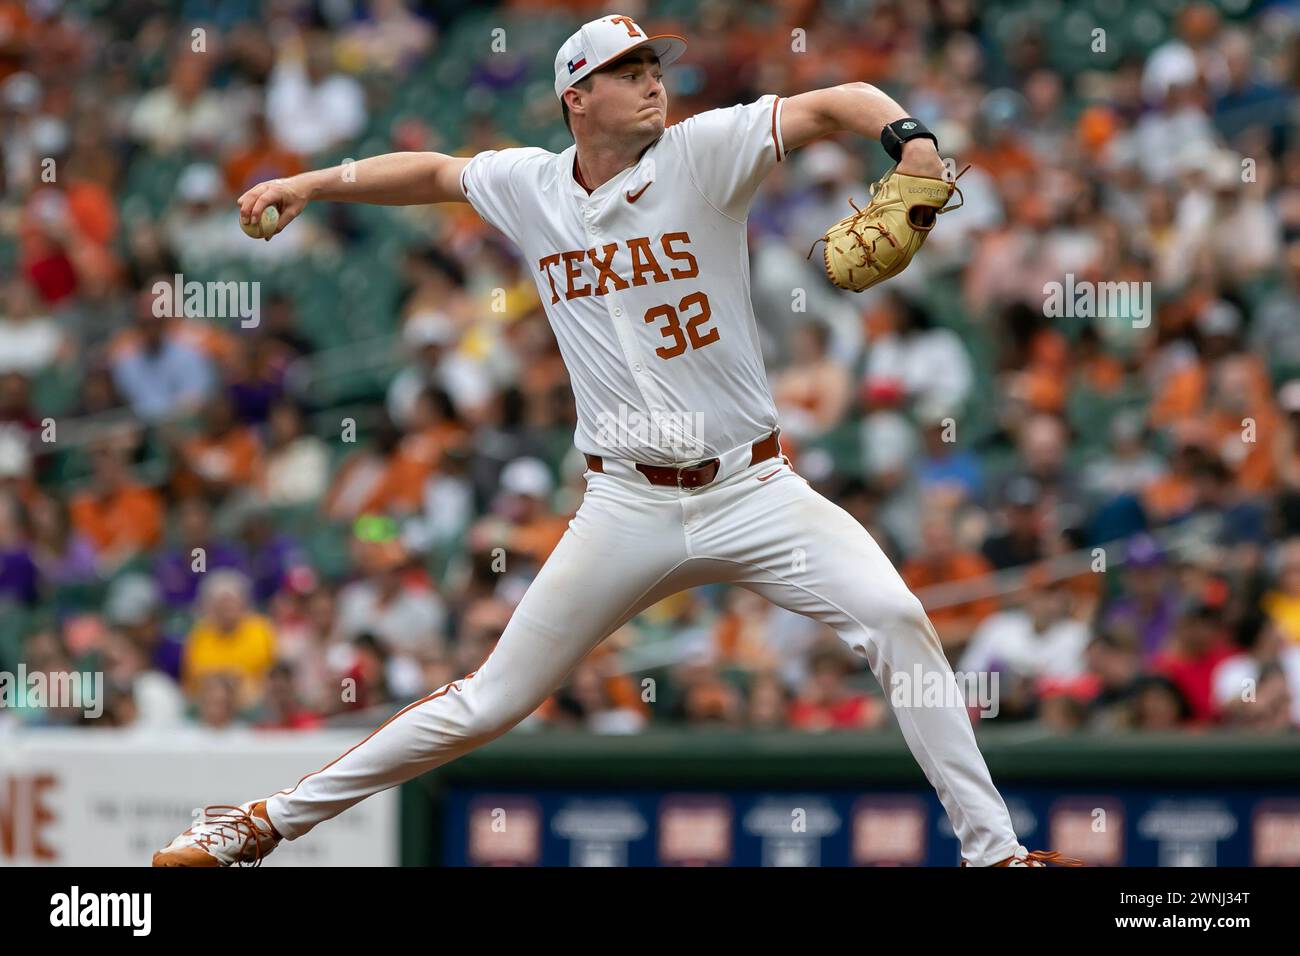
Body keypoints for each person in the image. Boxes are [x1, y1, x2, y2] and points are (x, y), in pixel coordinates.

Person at [155, 14, 1072, 869]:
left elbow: (836, 102)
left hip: (754, 488)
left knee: (897, 619)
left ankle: (995, 855)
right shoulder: (532, 185)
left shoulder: (704, 153)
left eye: (652, 68)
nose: (650, 84)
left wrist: (909, 138)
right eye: (624, 72)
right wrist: (311, 182)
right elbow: (436, 172)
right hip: (625, 503)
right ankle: (263, 821)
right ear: (576, 99)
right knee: (490, 702)